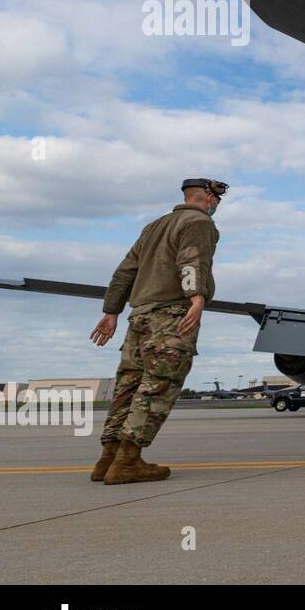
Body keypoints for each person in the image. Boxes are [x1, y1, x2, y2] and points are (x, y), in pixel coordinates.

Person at [89, 178, 227, 485]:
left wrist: (111, 312)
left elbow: (125, 271)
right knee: (158, 386)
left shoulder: (154, 226)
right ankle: (127, 461)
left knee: (128, 387)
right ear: (207, 197)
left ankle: (107, 459)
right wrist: (197, 297)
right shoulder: (199, 222)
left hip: (139, 318)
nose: (218, 204)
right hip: (170, 316)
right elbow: (191, 260)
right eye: (216, 198)